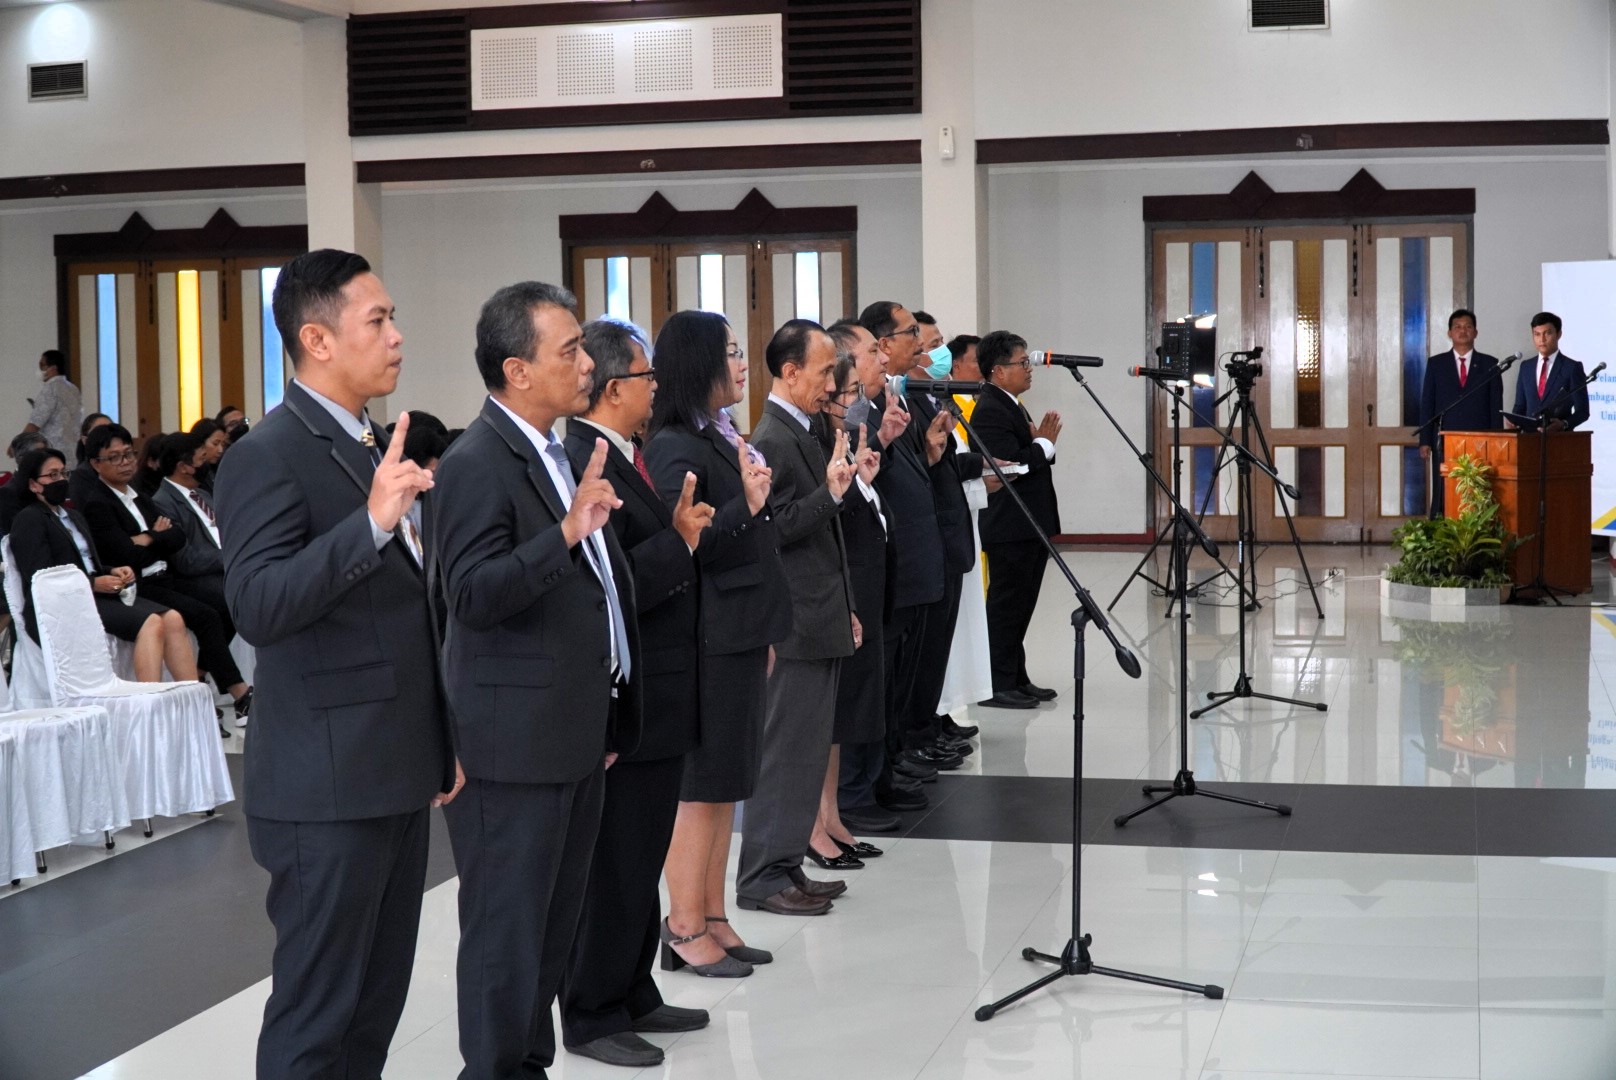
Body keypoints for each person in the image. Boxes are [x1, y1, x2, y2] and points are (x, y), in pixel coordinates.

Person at [213, 248, 459, 1079]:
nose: (396, 336)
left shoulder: (366, 443)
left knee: (372, 1008)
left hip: (389, 769)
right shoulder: (267, 453)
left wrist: (441, 739)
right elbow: (259, 605)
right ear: (316, 340)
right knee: (318, 1017)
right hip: (325, 784)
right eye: (377, 320)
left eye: (393, 318)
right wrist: (372, 526)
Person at [430, 281, 642, 1080]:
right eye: (571, 350)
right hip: (510, 748)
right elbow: (473, 595)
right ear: (518, 370)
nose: (587, 364)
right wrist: (564, 532)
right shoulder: (476, 463)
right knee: (506, 937)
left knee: (550, 933)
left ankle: (526, 1067)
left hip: (571, 731)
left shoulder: (558, 452)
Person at [557, 317, 714, 1069]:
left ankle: (633, 990)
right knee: (614, 862)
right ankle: (592, 1011)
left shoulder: (629, 453)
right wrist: (678, 541)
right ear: (615, 387)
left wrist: (676, 533)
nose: (657, 388)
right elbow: (610, 585)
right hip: (629, 692)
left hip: (663, 686)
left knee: (642, 850)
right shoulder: (586, 462)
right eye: (647, 377)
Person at [643, 310, 789, 976]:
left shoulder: (723, 432)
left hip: (740, 628)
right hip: (706, 636)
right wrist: (747, 506)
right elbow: (687, 542)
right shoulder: (674, 445)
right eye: (728, 352)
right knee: (700, 788)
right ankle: (683, 926)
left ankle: (714, 914)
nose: (740, 363)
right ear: (696, 363)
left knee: (728, 782)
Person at [737, 320, 858, 917]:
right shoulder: (773, 437)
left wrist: (846, 604)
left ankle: (786, 864)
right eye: (825, 371)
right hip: (796, 621)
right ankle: (762, 876)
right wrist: (830, 494)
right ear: (790, 372)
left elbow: (822, 534)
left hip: (820, 613)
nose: (832, 384)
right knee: (784, 753)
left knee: (806, 753)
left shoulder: (801, 430)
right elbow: (777, 527)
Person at [73, 422, 251, 719]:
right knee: (205, 614)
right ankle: (234, 694)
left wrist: (146, 538)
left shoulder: (138, 496)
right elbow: (126, 555)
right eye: (114, 457)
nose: (125, 462)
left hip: (164, 576)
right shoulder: (98, 504)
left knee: (223, 603)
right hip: (139, 584)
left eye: (128, 454)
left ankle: (204, 687)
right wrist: (156, 536)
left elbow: (176, 537)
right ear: (95, 463)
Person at [8, 447, 197, 683]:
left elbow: (87, 562)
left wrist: (111, 570)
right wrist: (93, 583)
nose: (61, 480)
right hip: (64, 603)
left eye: (64, 473)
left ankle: (192, 694)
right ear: (33, 484)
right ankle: (150, 697)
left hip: (95, 594)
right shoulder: (29, 519)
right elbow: (40, 576)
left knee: (173, 618)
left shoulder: (73, 516)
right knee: (151, 622)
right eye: (53, 475)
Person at [815, 336, 893, 846]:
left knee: (847, 712)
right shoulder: (812, 440)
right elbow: (822, 516)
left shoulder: (841, 438)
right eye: (845, 393)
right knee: (833, 715)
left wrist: (862, 481)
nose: (851, 401)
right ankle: (826, 816)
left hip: (856, 584)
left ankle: (833, 815)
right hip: (830, 592)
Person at [903, 313, 991, 759]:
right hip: (928, 538)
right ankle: (918, 735)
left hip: (949, 535)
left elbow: (946, 456)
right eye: (928, 342)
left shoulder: (933, 395)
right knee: (921, 651)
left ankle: (931, 724)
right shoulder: (906, 400)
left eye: (938, 341)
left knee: (937, 646)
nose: (936, 351)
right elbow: (924, 464)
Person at [973, 331, 1062, 709]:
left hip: (1026, 523)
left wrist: (1040, 444)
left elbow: (1028, 454)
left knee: (1021, 605)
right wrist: (1043, 445)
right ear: (998, 370)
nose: (1029, 369)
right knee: (1007, 606)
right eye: (1021, 363)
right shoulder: (991, 409)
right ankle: (995, 684)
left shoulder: (1011, 403)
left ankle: (1015, 677)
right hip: (1009, 525)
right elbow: (1008, 467)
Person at [1418, 309, 1503, 517]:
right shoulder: (1436, 364)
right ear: (1449, 333)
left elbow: (1495, 406)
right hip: (1445, 439)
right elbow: (1427, 403)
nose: (1463, 331)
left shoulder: (1490, 364)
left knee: (1478, 489)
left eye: (1468, 327)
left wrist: (1496, 441)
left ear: (1476, 332)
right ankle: (1441, 526)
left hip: (1480, 439)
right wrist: (1425, 440)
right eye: (1457, 327)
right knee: (1444, 489)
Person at [1513, 311, 1590, 431]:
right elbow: (1520, 406)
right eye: (1537, 334)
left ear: (1558, 334)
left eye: (1547, 333)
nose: (1542, 339)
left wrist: (1564, 424)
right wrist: (1514, 421)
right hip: (1528, 438)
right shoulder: (1526, 367)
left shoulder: (1572, 367)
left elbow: (1583, 411)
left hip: (1558, 438)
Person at [17, 349, 82, 457]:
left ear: (53, 368)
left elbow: (35, 423)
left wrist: (18, 445)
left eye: (42, 365)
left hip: (53, 451)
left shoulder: (50, 389)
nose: (39, 370)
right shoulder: (73, 389)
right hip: (73, 452)